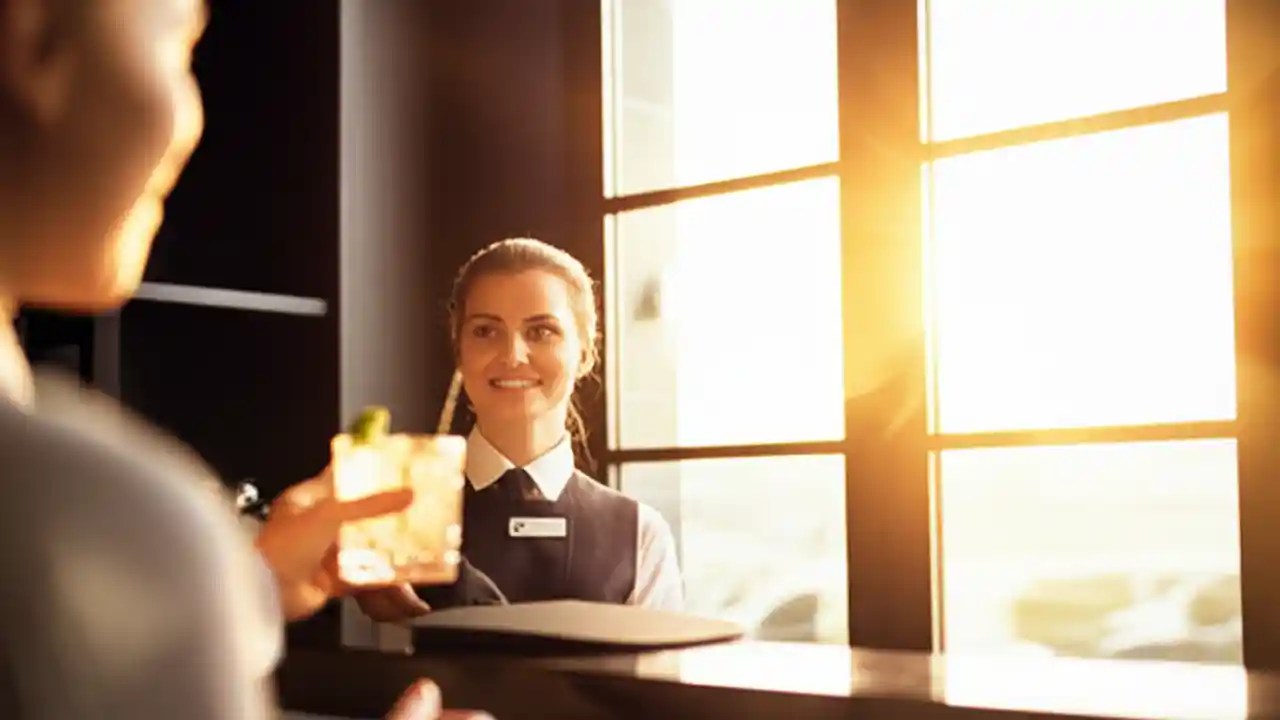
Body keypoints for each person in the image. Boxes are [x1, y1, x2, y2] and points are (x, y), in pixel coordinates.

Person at [0, 1, 484, 717]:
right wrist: (185, 572)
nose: (193, 120)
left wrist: (244, 583)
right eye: (179, 45)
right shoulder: (97, 517)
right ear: (33, 39)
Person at [358, 239, 683, 621]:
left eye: (541, 331)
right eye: (485, 331)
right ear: (459, 349)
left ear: (585, 353)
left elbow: (656, 679)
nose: (513, 355)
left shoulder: (640, 535)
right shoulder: (401, 515)